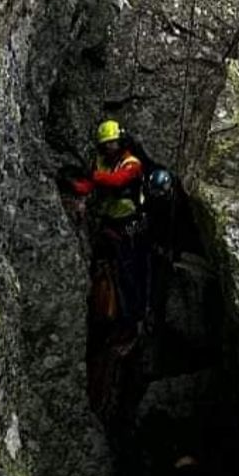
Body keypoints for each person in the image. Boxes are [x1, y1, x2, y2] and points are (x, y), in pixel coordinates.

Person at [67, 119, 148, 333]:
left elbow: (118, 181)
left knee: (129, 272)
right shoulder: (101, 162)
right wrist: (71, 184)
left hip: (130, 224)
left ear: (120, 142)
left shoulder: (131, 163)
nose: (109, 148)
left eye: (112, 143)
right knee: (104, 270)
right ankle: (107, 317)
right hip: (110, 223)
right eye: (106, 144)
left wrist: (91, 175)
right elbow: (89, 186)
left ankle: (134, 319)